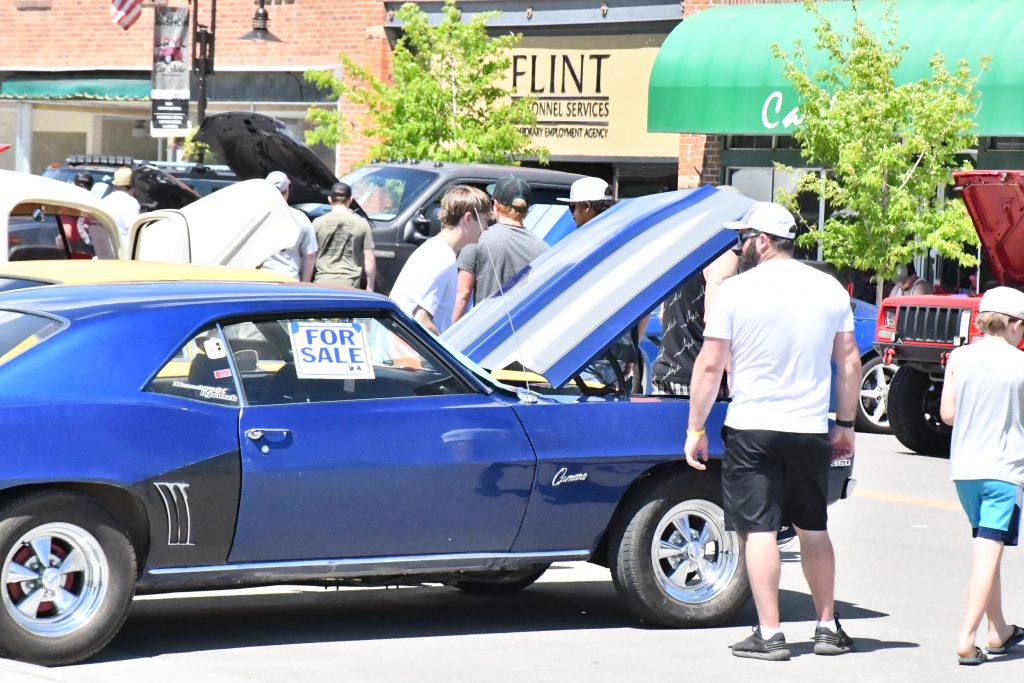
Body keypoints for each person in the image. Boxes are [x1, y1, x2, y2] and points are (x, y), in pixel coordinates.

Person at [683, 201, 861, 661]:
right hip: (807, 428)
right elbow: (849, 363)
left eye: (743, 238)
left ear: (763, 240)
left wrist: (696, 427)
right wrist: (845, 425)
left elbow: (709, 365)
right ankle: (826, 626)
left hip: (753, 427)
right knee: (812, 526)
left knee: (759, 529)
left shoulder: (735, 292)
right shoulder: (829, 289)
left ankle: (771, 633)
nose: (739, 246)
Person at [939, 286, 1024, 665]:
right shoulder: (1020, 365)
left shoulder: (960, 357)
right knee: (987, 553)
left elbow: (948, 415)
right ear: (1014, 325)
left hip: (965, 472)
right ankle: (966, 637)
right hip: (1004, 471)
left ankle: (998, 630)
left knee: (988, 550)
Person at [389, 185, 490, 334]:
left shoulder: (435, 249)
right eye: (485, 220)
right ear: (468, 218)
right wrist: (445, 349)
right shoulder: (442, 258)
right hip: (406, 356)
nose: (486, 227)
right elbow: (421, 321)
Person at [452, 175, 546, 322]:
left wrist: (445, 339)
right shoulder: (544, 249)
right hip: (525, 336)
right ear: (526, 209)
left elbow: (462, 294)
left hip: (483, 333)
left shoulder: (476, 240)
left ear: (495, 205)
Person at [312, 182, 376, 291]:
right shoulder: (362, 223)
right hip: (350, 286)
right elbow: (370, 259)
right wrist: (370, 287)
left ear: (330, 200)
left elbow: (310, 257)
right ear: (351, 200)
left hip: (321, 284)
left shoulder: (317, 223)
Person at [261, 171, 318, 282]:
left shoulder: (256, 216)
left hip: (258, 281)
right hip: (289, 281)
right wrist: (304, 285)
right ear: (287, 191)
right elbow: (310, 256)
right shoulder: (301, 218)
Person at [100, 166, 140, 249]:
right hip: (124, 254)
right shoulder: (131, 202)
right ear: (132, 186)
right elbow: (133, 229)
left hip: (106, 252)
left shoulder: (105, 200)